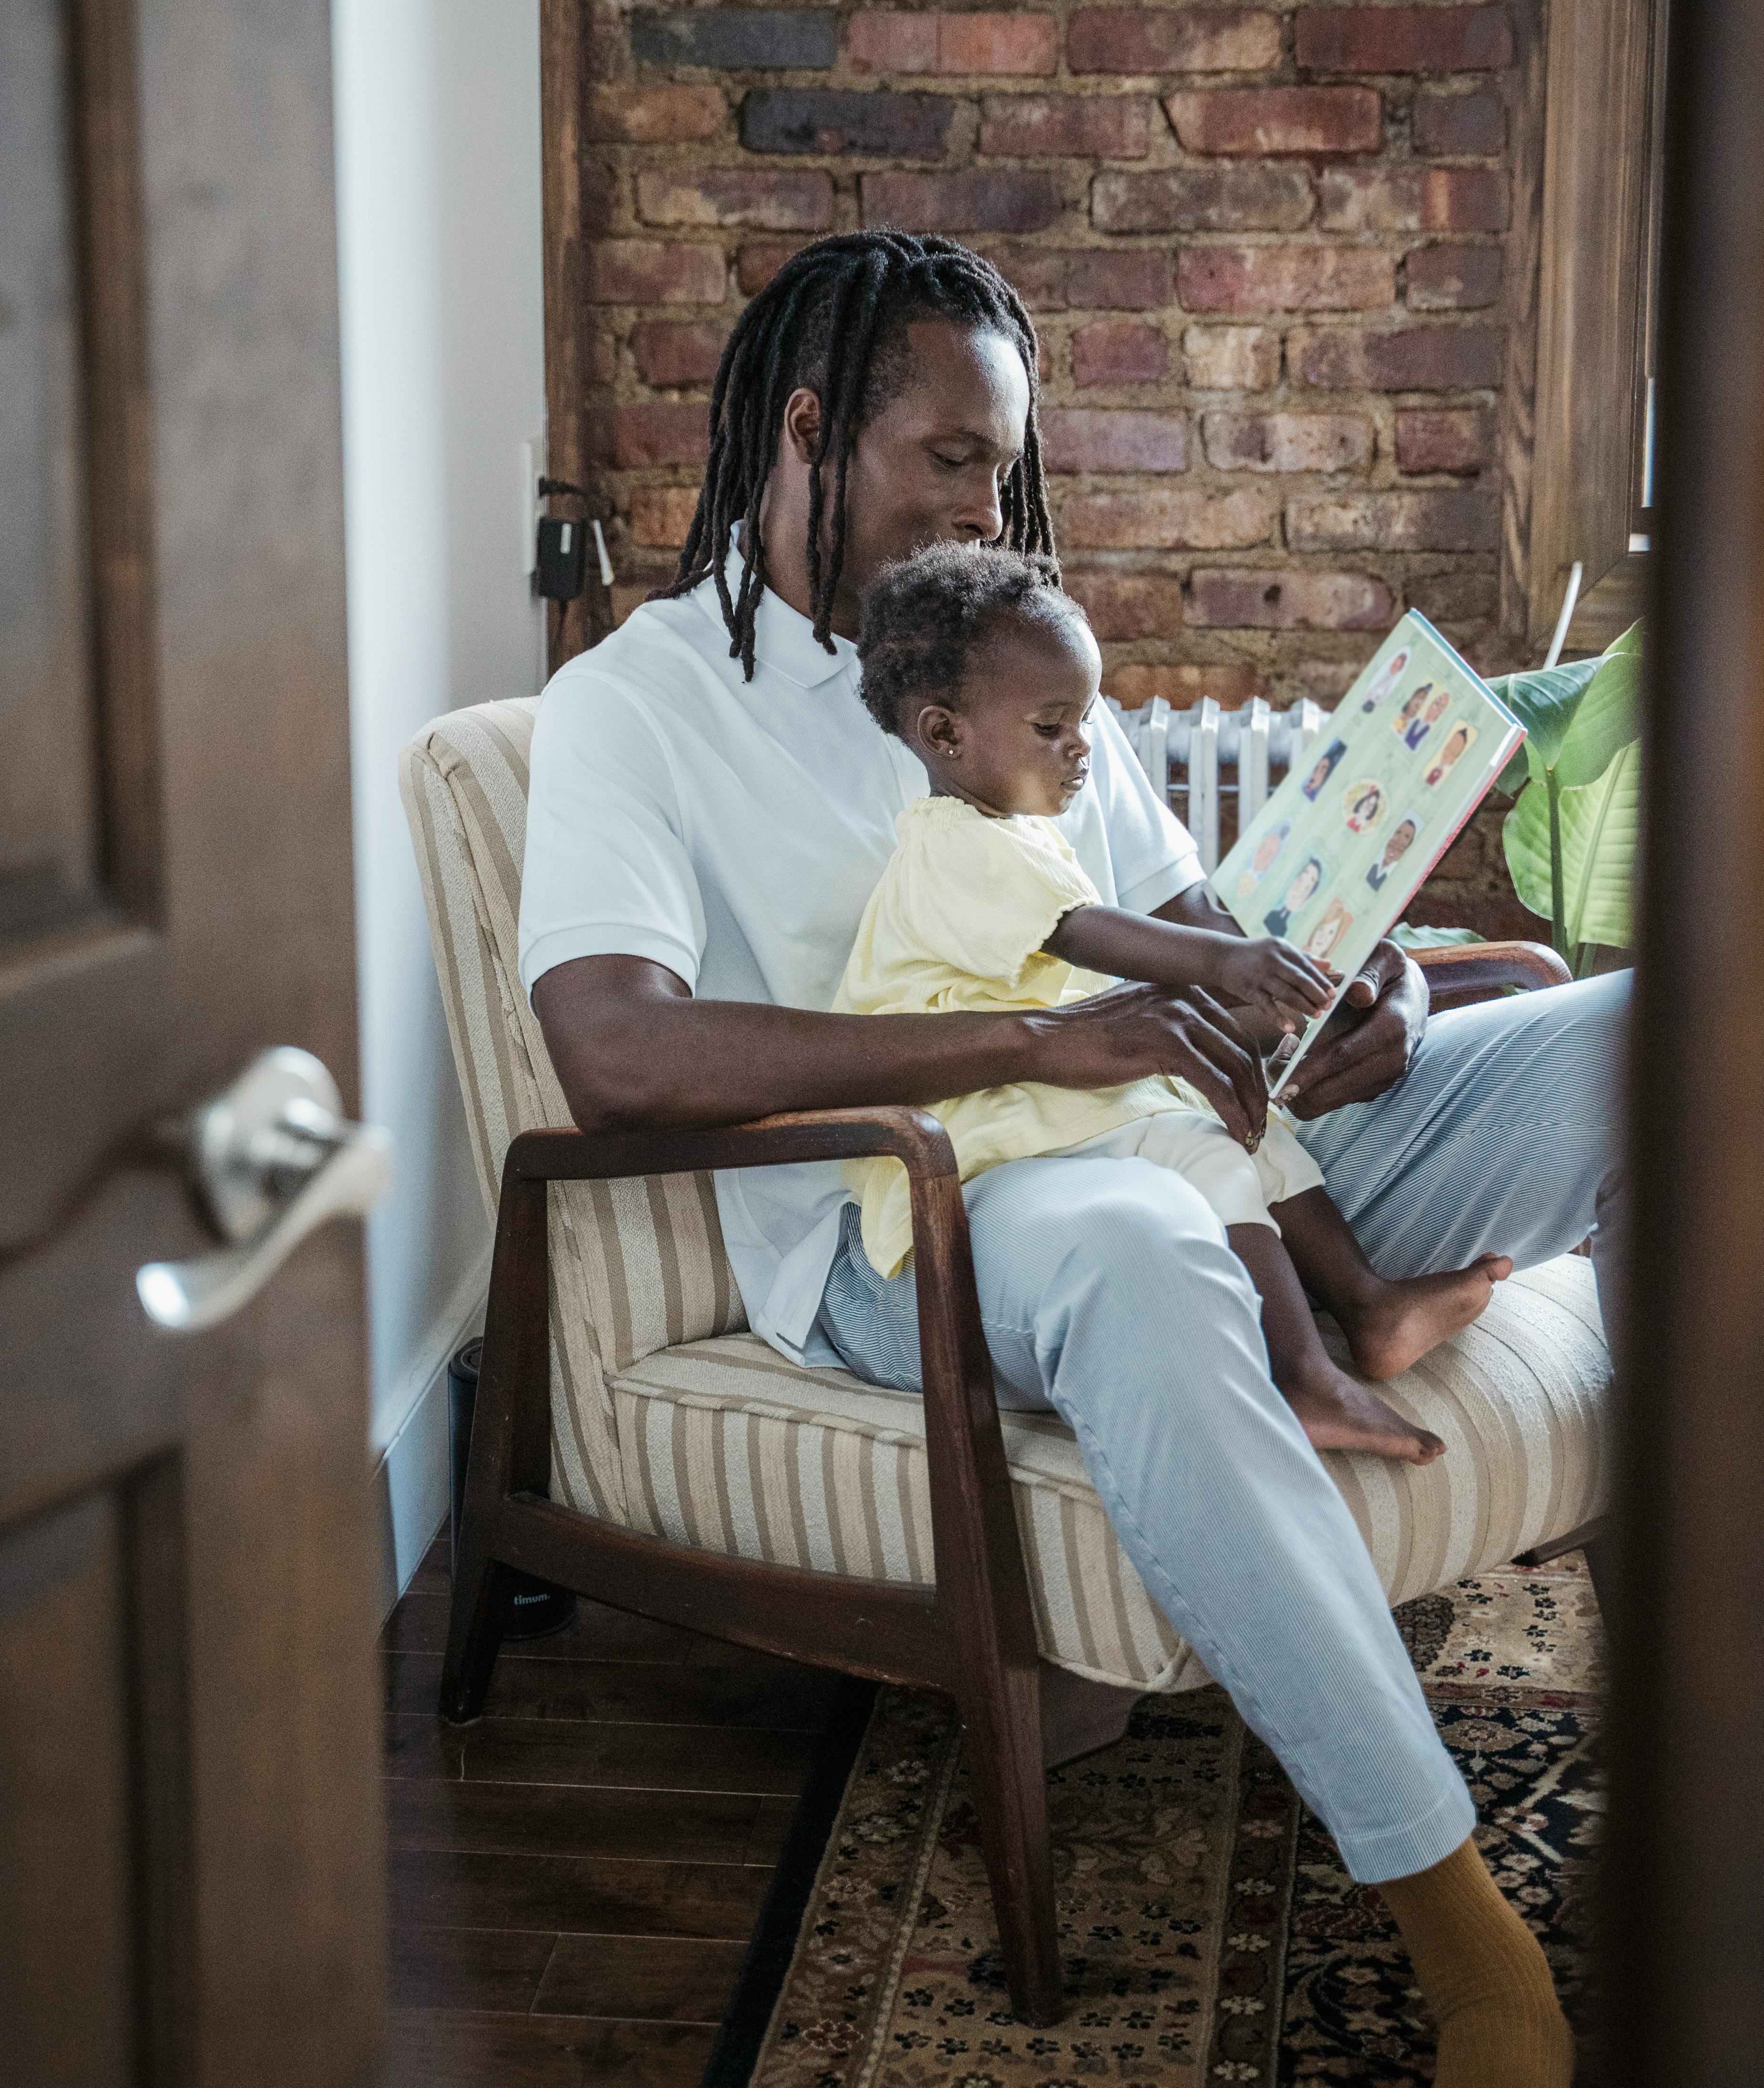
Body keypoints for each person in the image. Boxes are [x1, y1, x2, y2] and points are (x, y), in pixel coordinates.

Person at [521, 230, 1617, 2088]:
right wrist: (1040, 1041)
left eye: (1006, 458)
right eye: (956, 455)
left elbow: (1193, 919)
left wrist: (1373, 995)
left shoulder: (993, 635)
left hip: (1163, 1126)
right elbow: (614, 1046)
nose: (998, 497)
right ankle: (1460, 1931)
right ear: (805, 430)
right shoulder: (639, 704)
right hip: (913, 1215)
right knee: (1134, 1238)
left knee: (1658, 1029)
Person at [837, 542, 1511, 1463]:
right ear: (944, 733)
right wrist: (1234, 964)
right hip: (975, 1119)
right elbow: (1090, 934)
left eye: (1085, 718)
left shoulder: (1013, 829)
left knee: (1240, 1117)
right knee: (1204, 1148)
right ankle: (1303, 1378)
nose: (1082, 745)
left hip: (1036, 1093)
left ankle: (1367, 1301)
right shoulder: (956, 842)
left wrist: (1262, 1000)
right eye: (1051, 726)